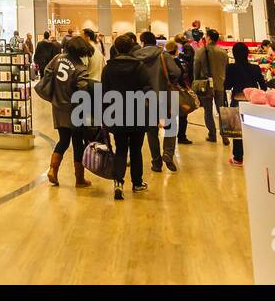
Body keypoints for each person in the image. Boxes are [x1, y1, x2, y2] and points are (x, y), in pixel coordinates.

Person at [101, 33, 150, 200]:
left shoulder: (108, 69)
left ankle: (118, 182)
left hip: (116, 114)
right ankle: (137, 183)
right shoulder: (140, 66)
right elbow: (147, 90)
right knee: (136, 149)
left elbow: (104, 94)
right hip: (137, 113)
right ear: (131, 48)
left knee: (121, 149)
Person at [42, 36, 96, 187]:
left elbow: (47, 72)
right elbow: (83, 91)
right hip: (74, 110)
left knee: (63, 140)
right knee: (78, 143)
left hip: (58, 106)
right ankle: (79, 179)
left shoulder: (57, 58)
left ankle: (53, 170)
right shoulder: (80, 68)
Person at [134, 30, 179, 173]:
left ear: (142, 42)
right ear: (155, 42)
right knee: (171, 126)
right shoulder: (163, 55)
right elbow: (176, 72)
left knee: (151, 131)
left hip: (145, 99)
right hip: (165, 96)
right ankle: (168, 153)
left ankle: (156, 162)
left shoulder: (136, 57)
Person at [224, 41, 265, 166]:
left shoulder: (231, 68)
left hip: (237, 100)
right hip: (253, 101)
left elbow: (227, 85)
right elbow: (263, 86)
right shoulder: (255, 68)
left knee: (238, 132)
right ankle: (256, 155)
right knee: (253, 129)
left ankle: (238, 157)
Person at [194, 28, 230, 145]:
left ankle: (212, 134)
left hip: (205, 85)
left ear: (208, 38)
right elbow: (227, 68)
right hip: (220, 84)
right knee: (221, 110)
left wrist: (196, 81)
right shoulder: (223, 52)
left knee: (208, 111)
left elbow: (196, 69)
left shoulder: (200, 52)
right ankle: (225, 135)